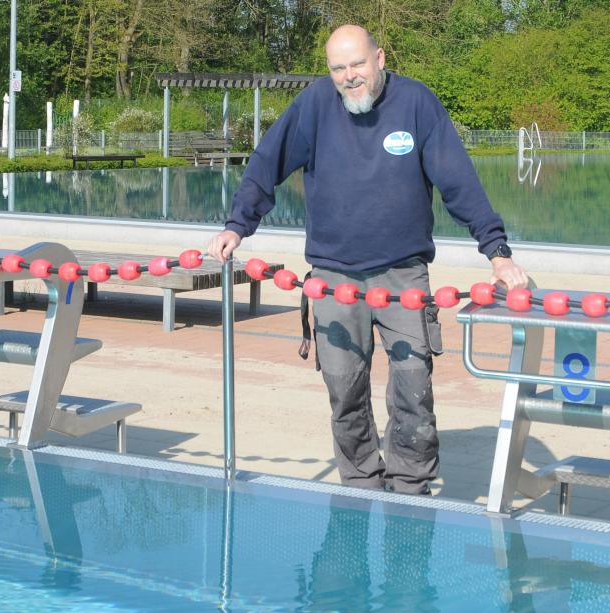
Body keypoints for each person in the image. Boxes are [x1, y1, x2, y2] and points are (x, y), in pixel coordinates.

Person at [208, 24, 529, 495]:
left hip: (404, 275)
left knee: (413, 392)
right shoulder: (315, 104)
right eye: (338, 68)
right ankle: (360, 486)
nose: (349, 76)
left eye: (357, 64)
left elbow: (459, 182)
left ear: (379, 58)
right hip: (334, 278)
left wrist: (497, 253)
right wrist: (238, 224)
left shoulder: (417, 104)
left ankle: (411, 490)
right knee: (345, 393)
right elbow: (265, 163)